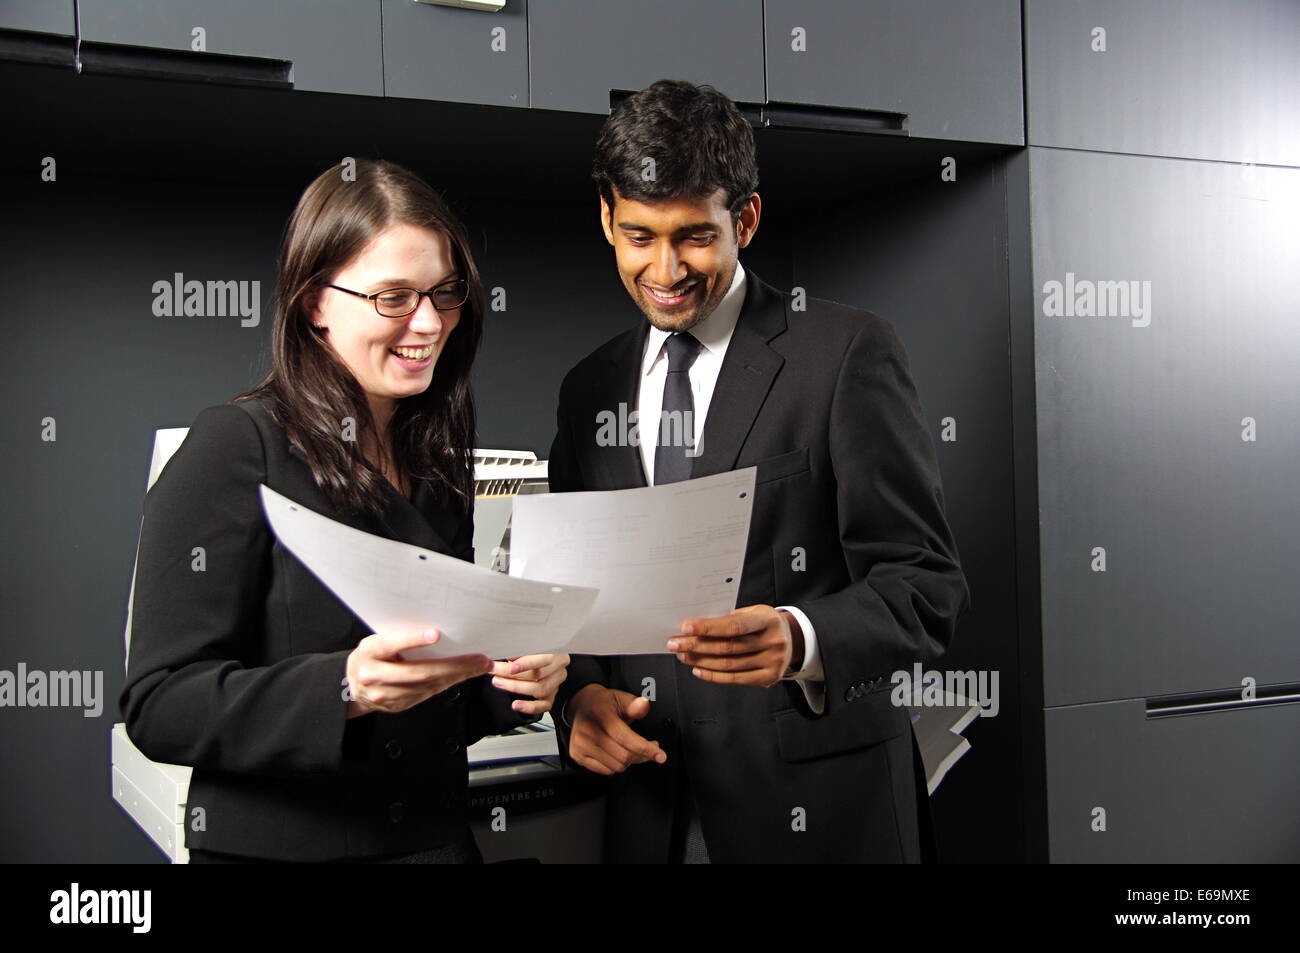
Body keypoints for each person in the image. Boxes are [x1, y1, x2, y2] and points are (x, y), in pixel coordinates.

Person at [548, 80, 970, 863]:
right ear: (607, 218)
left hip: (822, 815)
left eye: (694, 237)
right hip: (652, 810)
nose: (664, 269)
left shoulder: (845, 353)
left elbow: (926, 586)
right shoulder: (588, 390)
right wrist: (577, 699)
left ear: (744, 219)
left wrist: (802, 637)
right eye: (638, 236)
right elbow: (575, 598)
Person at [120, 159, 568, 863]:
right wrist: (345, 688)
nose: (428, 323)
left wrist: (511, 685)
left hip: (435, 844)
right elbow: (159, 704)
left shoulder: (436, 457)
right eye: (393, 297)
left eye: (443, 292)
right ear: (314, 304)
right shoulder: (236, 447)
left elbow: (439, 701)